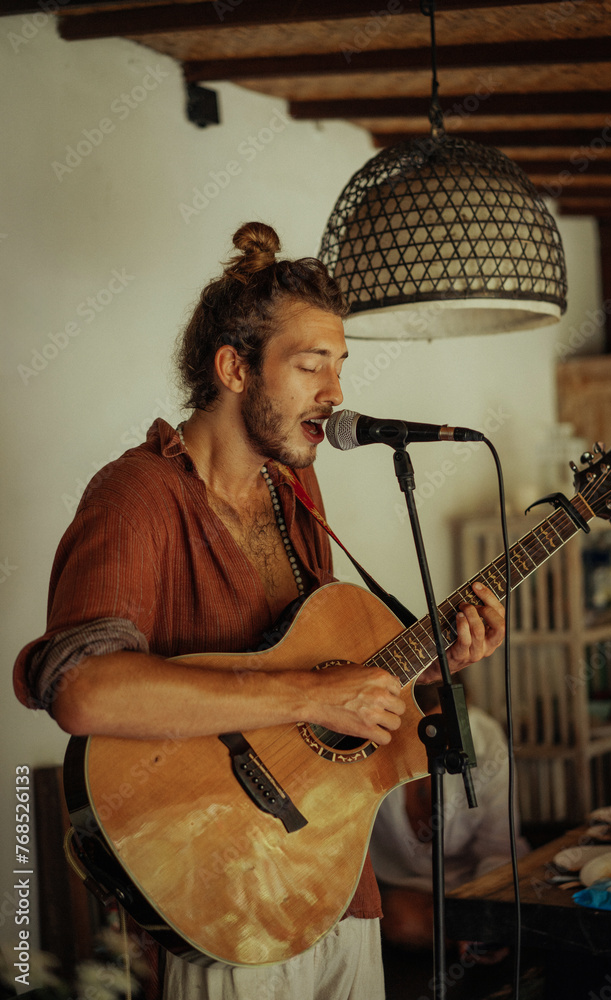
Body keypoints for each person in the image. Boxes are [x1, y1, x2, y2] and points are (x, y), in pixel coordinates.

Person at [13, 222, 506, 1000]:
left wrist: (433, 658)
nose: (334, 392)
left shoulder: (294, 488)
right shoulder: (136, 496)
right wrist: (310, 695)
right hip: (221, 899)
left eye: (339, 366)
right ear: (233, 368)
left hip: (338, 882)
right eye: (311, 366)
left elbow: (326, 676)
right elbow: (84, 692)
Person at [370, 683, 529, 959]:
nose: (437, 740)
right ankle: (465, 941)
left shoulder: (484, 739)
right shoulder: (366, 743)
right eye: (422, 729)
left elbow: (499, 849)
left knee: (507, 913)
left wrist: (479, 910)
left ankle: (474, 939)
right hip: (406, 891)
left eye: (446, 724)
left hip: (475, 882)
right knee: (400, 920)